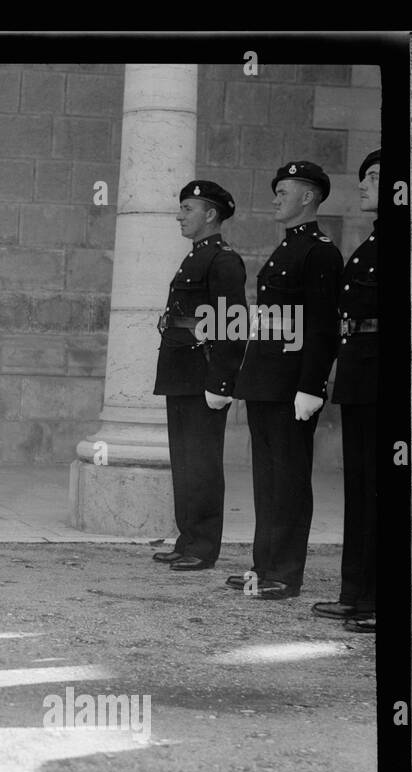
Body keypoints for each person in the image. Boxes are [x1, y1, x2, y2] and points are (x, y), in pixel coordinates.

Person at [228, 161, 342, 599]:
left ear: (309, 197)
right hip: (266, 381)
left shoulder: (319, 252)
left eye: (284, 191)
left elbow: (321, 326)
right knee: (267, 480)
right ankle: (264, 565)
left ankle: (285, 572)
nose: (276, 197)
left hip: (292, 385)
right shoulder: (288, 247)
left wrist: (311, 386)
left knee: (290, 479)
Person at [152, 181, 246, 572]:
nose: (180, 215)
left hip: (203, 373)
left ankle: (203, 546)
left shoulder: (223, 260)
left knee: (203, 463)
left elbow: (232, 324)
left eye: (187, 208)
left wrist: (221, 382)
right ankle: (187, 538)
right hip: (180, 369)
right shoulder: (195, 257)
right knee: (185, 462)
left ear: (211, 214)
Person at [313, 150, 380, 633]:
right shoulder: (372, 242)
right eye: (365, 177)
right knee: (360, 490)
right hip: (361, 373)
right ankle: (356, 595)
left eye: (376, 177)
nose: (363, 184)